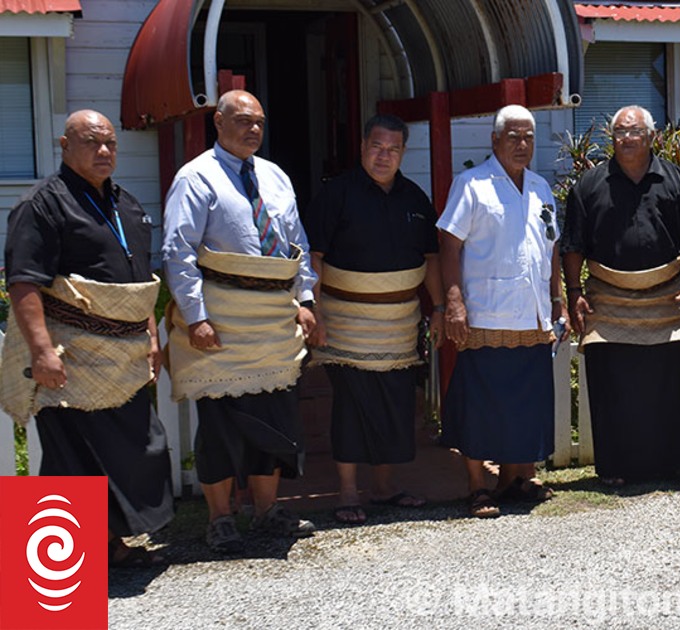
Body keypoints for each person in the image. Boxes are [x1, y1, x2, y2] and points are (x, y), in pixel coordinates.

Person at [1, 110, 172, 566]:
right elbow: (23, 282)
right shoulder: (41, 205)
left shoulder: (126, 204)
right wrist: (41, 352)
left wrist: (151, 337)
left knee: (136, 451)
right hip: (71, 357)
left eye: (110, 143)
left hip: (124, 360)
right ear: (64, 145)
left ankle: (111, 546)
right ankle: (50, 573)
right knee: (70, 463)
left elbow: (140, 285)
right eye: (92, 142)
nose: (104, 151)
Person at [162, 90, 318, 553]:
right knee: (220, 425)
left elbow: (297, 242)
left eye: (259, 122)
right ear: (218, 122)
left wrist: (305, 297)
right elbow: (178, 251)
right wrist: (196, 317)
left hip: (273, 322)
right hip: (223, 322)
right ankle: (220, 517)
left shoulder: (275, 176)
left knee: (275, 422)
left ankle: (267, 512)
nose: (252, 129)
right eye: (243, 121)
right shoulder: (196, 177)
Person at [303, 114, 443, 524]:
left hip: (399, 324)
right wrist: (316, 311)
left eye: (393, 149)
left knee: (396, 406)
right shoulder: (336, 195)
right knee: (351, 406)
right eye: (377, 147)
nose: (384, 156)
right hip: (346, 321)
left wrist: (437, 307)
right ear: (363, 147)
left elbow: (431, 259)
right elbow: (314, 259)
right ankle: (348, 492)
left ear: (403, 153)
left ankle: (384, 487)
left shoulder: (415, 199)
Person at [561, 105, 680, 488]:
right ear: (612, 139)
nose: (627, 138)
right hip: (608, 298)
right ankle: (614, 468)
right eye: (620, 133)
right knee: (613, 383)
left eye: (635, 132)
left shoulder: (677, 180)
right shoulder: (590, 185)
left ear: (651, 136)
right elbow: (573, 243)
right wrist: (574, 289)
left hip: (666, 297)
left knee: (671, 384)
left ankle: (679, 465)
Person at [437, 104, 564, 518]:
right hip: (486, 314)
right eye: (513, 136)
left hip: (532, 314)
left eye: (528, 136)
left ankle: (516, 479)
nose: (522, 144)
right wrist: (453, 300)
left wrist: (557, 297)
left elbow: (552, 247)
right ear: (494, 140)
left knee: (525, 404)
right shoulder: (472, 184)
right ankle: (477, 486)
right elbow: (449, 245)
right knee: (481, 407)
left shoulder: (541, 187)